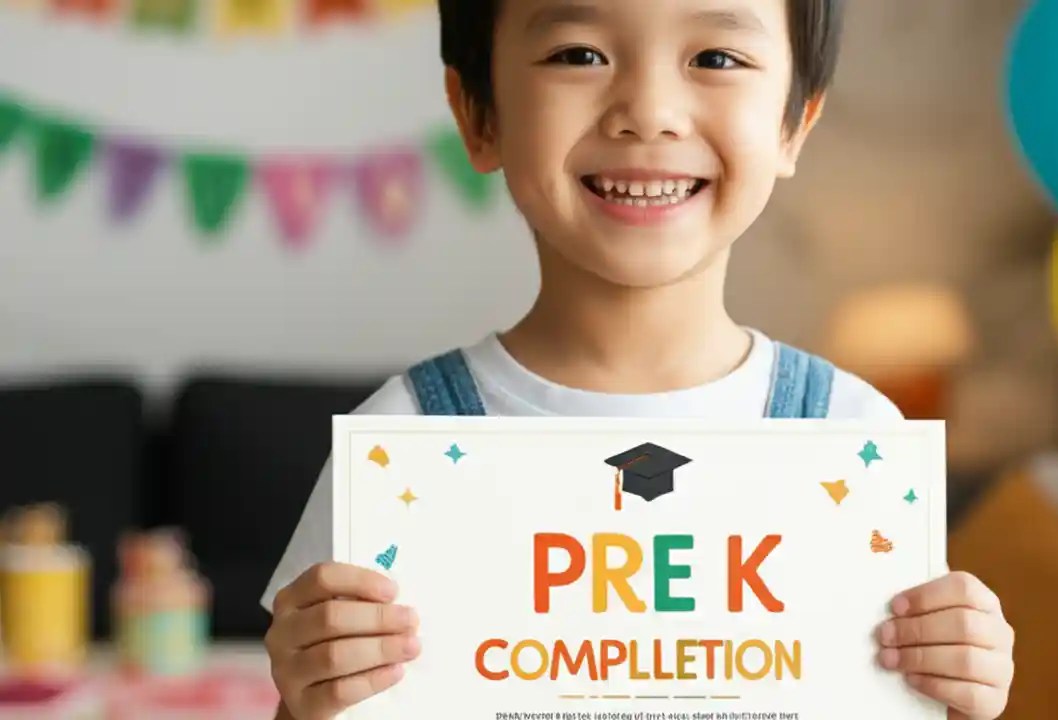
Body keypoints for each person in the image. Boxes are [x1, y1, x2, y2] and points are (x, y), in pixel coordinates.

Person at [261, 1, 1015, 718]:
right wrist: (306, 700)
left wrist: (953, 688)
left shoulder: (852, 441)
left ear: (795, 123)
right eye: (578, 54)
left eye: (716, 57)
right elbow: (329, 697)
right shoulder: (403, 444)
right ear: (479, 115)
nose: (649, 111)